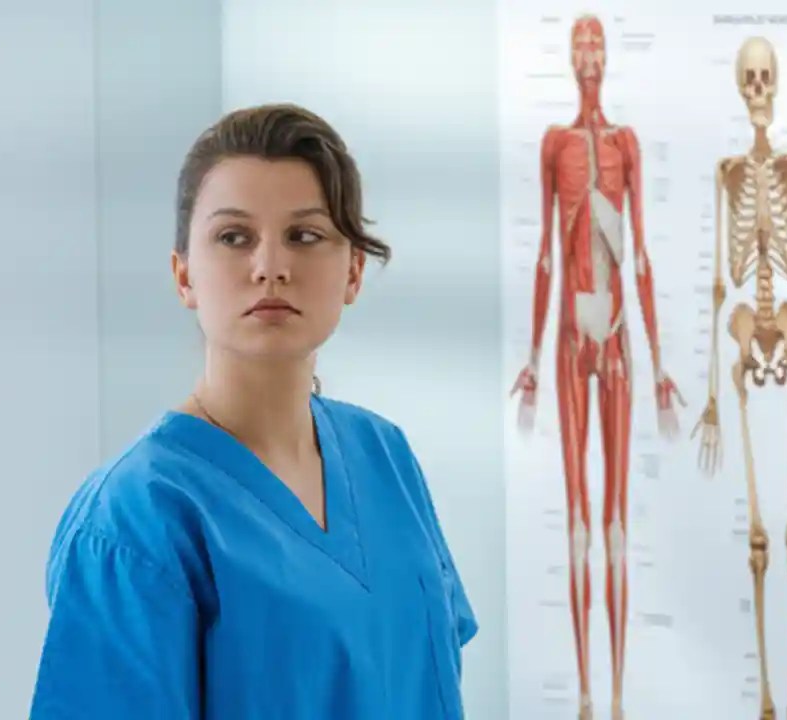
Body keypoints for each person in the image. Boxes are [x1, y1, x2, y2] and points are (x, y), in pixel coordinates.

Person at [28, 103, 477, 719]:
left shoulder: (384, 456)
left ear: (353, 272)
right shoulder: (135, 520)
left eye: (305, 235)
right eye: (233, 237)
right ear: (183, 276)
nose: (271, 267)